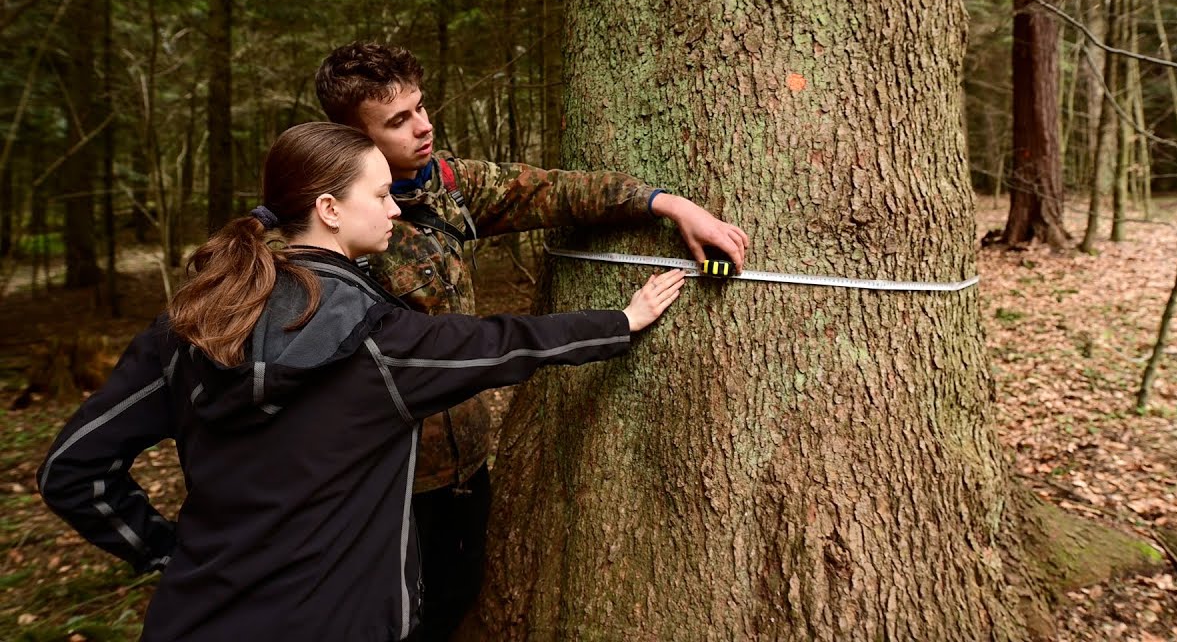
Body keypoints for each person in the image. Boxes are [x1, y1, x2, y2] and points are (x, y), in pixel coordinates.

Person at [36, 122, 686, 642]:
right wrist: (623, 321)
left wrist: (166, 554)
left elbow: (72, 470)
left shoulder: (190, 326)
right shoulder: (382, 345)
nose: (394, 212)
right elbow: (505, 344)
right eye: (379, 196)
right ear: (328, 209)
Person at [314, 41, 750, 639]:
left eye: (420, 107)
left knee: (457, 593)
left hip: (462, 465)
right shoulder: (322, 233)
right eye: (398, 121)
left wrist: (666, 204)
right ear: (353, 139)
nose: (423, 126)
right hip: (380, 478)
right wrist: (613, 325)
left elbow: (549, 191)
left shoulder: (445, 184)